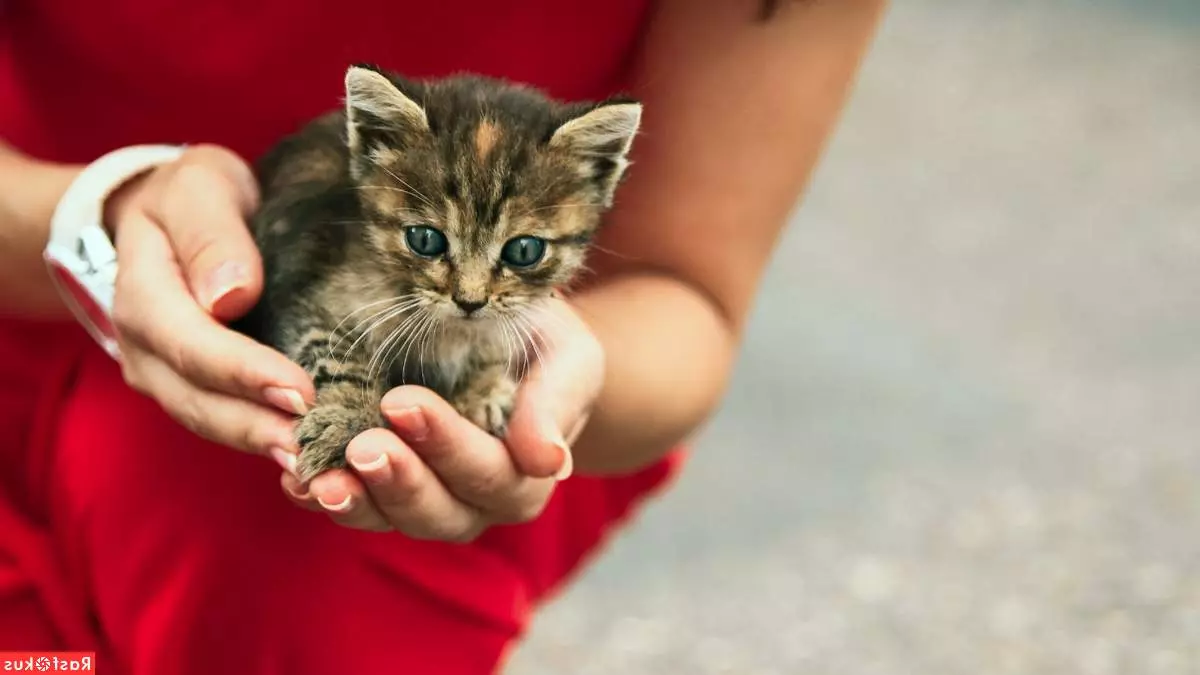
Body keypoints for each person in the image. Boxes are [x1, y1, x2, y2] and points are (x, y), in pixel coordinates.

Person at [0, 0, 887, 672]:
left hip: (364, 525)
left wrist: (548, 382)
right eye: (431, 245)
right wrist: (91, 215)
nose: (467, 290)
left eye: (520, 254)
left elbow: (688, 295)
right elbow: (317, 315)